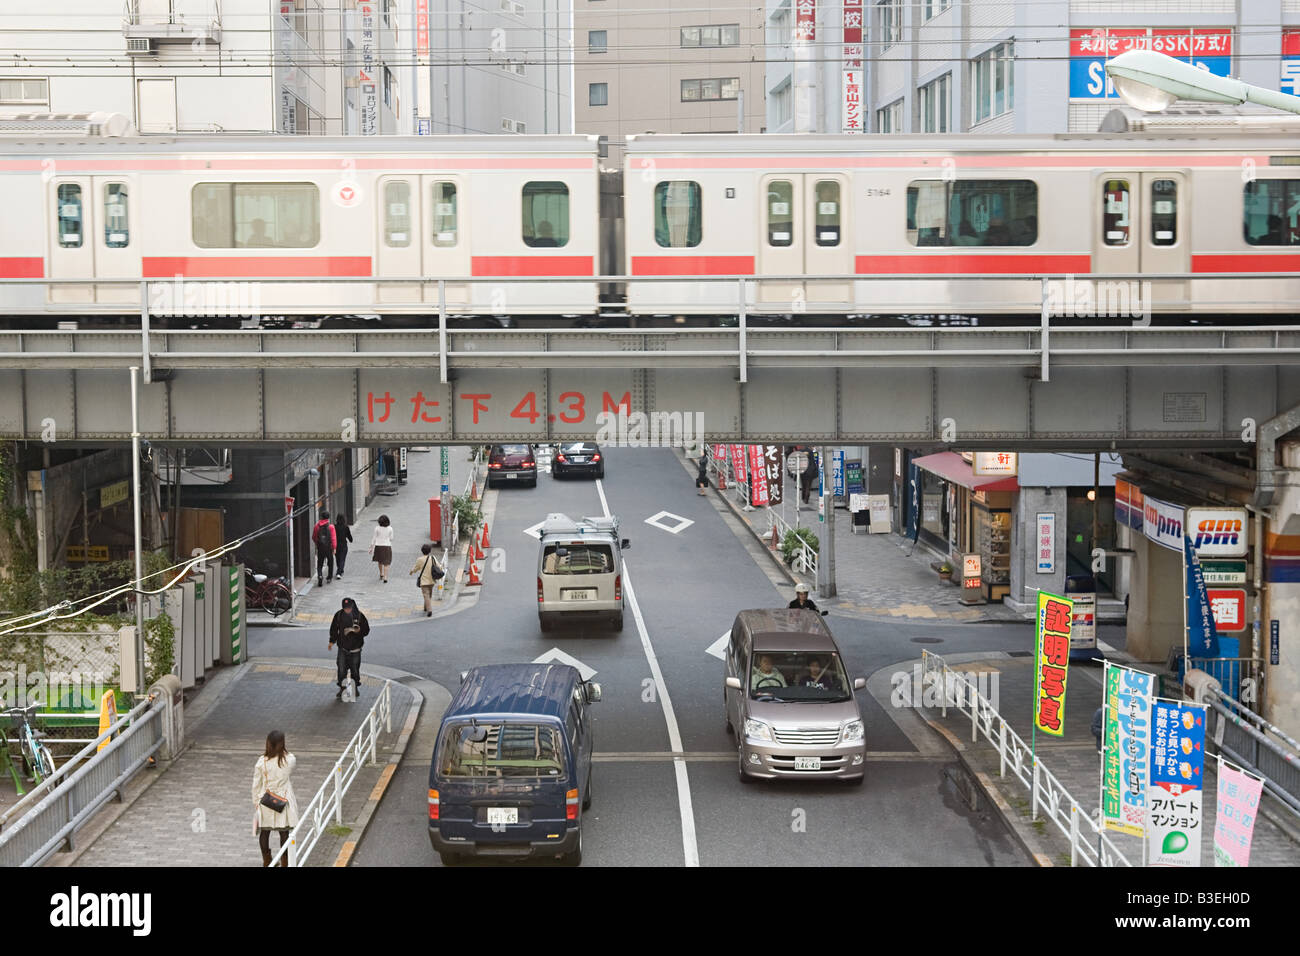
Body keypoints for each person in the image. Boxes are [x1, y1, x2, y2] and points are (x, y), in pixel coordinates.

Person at [252, 730, 299, 867]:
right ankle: (285, 861)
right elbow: (290, 757)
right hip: (283, 800)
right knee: (284, 831)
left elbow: (256, 784)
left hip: (266, 799)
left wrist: (256, 801)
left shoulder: (262, 762)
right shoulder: (289, 760)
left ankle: (267, 860)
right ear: (282, 743)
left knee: (264, 832)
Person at [329, 597, 370, 699]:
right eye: (345, 608)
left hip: (356, 648)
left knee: (355, 669)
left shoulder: (360, 616)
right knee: (341, 669)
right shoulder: (339, 615)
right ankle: (342, 689)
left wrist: (359, 631)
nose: (347, 610)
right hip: (342, 647)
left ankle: (355, 688)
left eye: (349, 608)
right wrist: (331, 641)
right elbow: (334, 629)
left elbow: (366, 631)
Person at [409, 543, 443, 617]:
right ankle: (426, 607)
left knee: (426, 595)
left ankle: (429, 610)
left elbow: (415, 568)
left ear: (422, 551)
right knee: (428, 595)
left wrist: (411, 572)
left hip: (424, 581)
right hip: (431, 580)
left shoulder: (420, 559)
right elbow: (439, 566)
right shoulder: (433, 558)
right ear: (429, 551)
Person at [313, 510, 336, 587]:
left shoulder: (317, 526)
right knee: (330, 562)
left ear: (321, 517)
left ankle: (320, 576)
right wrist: (334, 548)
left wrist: (318, 544)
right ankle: (329, 577)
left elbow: (314, 537)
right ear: (328, 517)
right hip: (329, 548)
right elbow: (333, 538)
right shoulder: (331, 526)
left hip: (320, 548)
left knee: (320, 563)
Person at [370, 514, 394, 583]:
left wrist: (371, 547)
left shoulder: (377, 528)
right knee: (386, 563)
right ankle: (386, 577)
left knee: (380, 561)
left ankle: (381, 574)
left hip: (378, 546)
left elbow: (374, 538)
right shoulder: (390, 528)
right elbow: (391, 538)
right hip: (387, 546)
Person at [333, 512, 353, 579]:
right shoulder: (346, 527)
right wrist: (351, 540)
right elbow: (349, 537)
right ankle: (339, 572)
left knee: (338, 559)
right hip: (343, 545)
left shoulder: (334, 527)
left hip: (336, 545)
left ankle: (340, 570)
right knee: (342, 559)